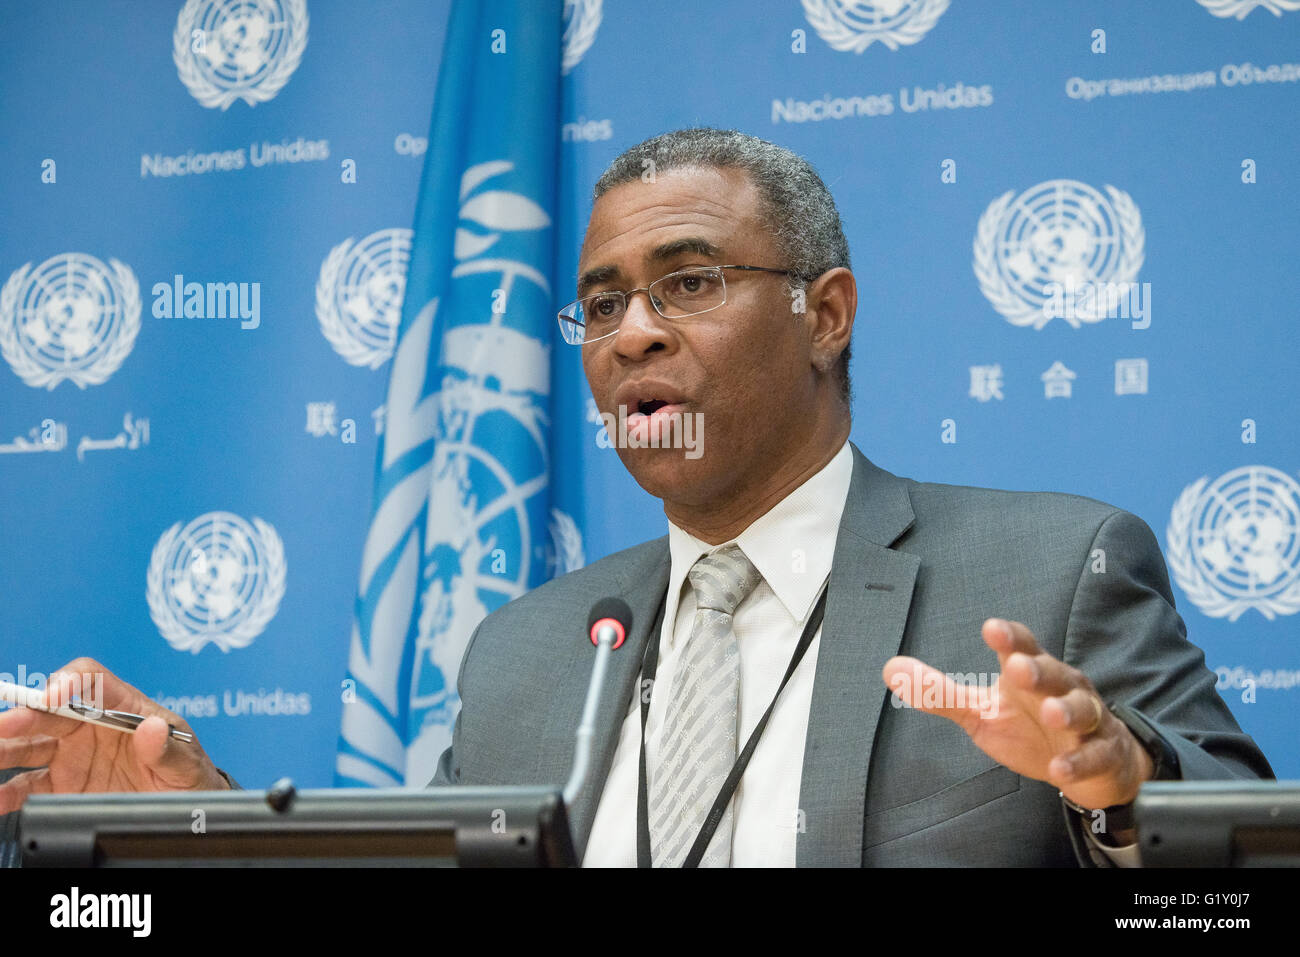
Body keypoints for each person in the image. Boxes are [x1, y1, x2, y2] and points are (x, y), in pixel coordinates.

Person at [0, 129, 1272, 867]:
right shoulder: (533, 652)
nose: (631, 335)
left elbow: (1229, 891)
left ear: (822, 315)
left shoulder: (1048, 565)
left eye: (689, 282)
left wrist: (1117, 792)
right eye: (601, 304)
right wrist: (196, 816)